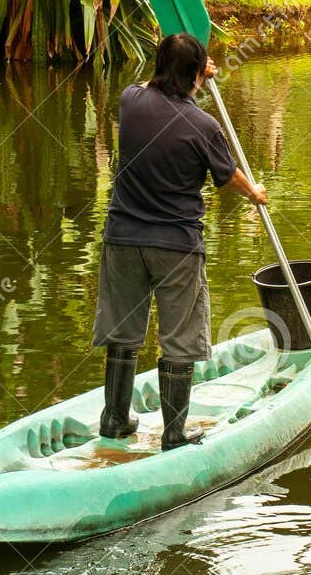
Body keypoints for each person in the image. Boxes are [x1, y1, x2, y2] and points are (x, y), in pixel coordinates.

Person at [94, 33, 267, 449]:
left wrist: (191, 72)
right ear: (195, 74)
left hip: (122, 240)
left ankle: (115, 419)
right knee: (180, 337)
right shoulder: (204, 126)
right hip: (176, 247)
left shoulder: (129, 101)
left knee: (123, 332)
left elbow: (152, 85)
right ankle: (174, 433)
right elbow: (228, 178)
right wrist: (256, 193)